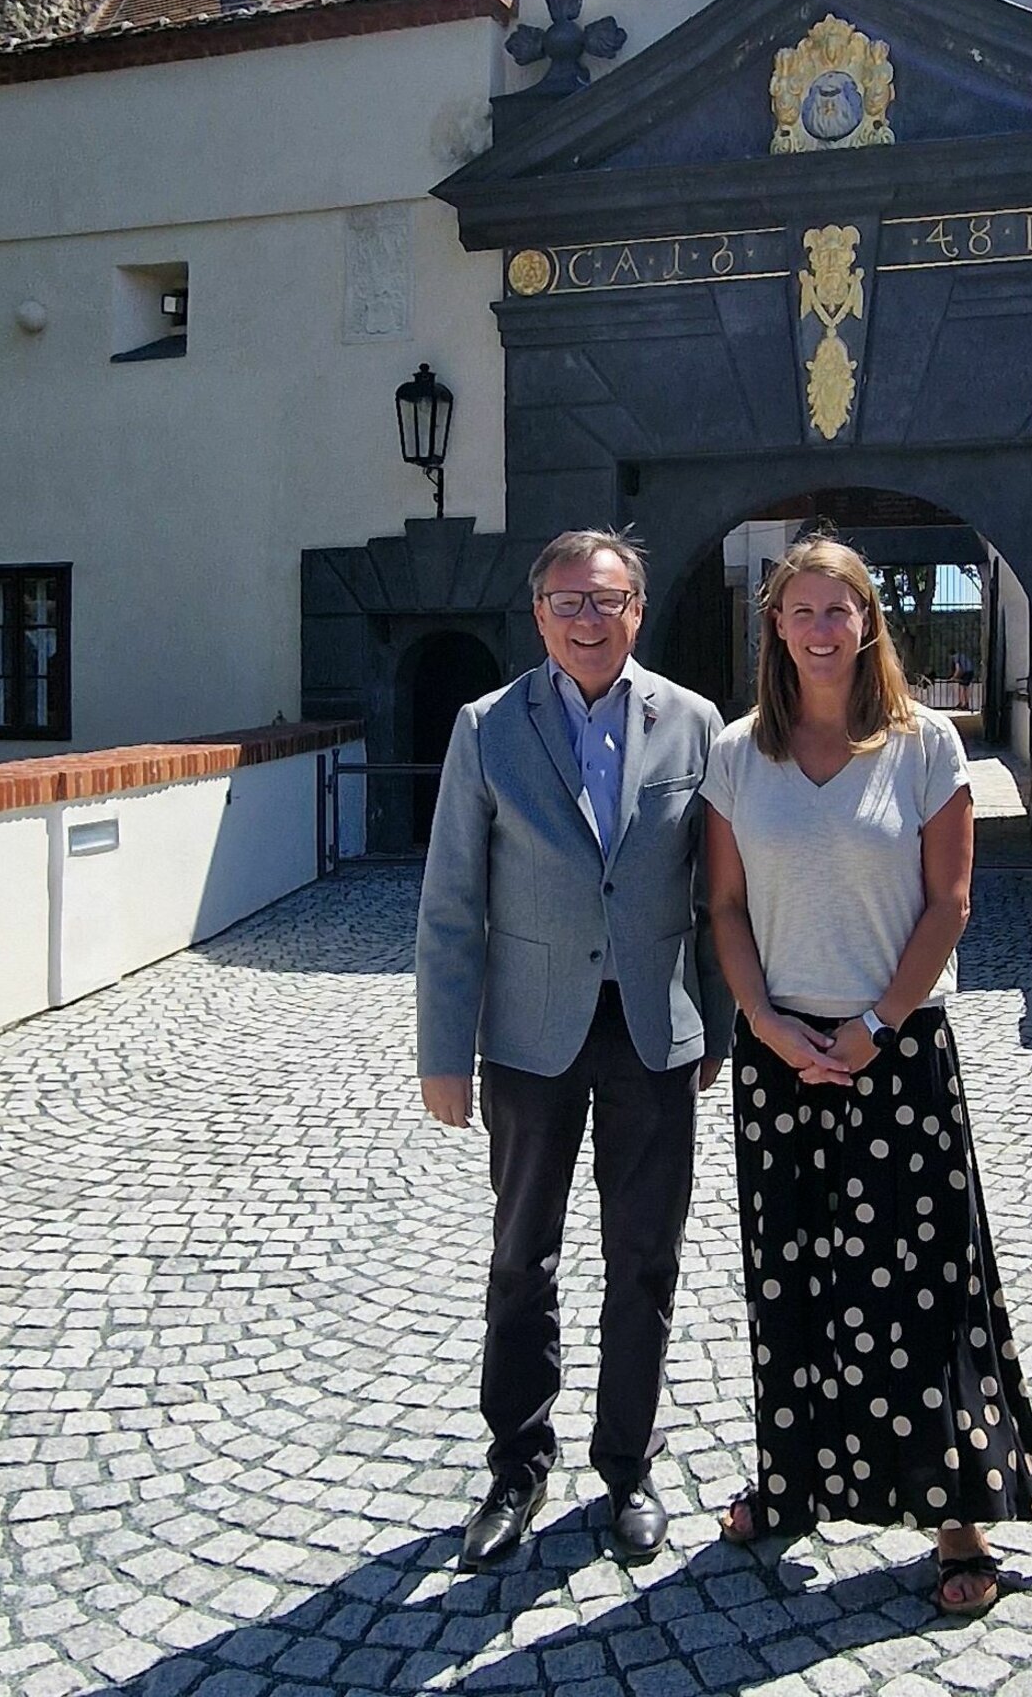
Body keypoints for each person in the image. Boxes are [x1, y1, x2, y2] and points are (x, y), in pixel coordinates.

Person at [698, 534, 1032, 1617]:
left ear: (867, 623)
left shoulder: (921, 745)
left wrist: (873, 1022)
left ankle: (955, 1511)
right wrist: (759, 1016)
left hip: (893, 1053)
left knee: (924, 1283)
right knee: (790, 1274)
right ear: (774, 625)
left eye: (836, 611)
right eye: (799, 610)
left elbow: (948, 901)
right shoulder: (734, 753)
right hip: (776, 1054)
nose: (818, 629)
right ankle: (794, 1473)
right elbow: (721, 903)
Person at [416, 528, 732, 1569]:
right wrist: (441, 1050)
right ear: (538, 611)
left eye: (604, 601)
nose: (586, 620)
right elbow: (451, 899)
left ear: (636, 609)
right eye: (566, 601)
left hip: (651, 1024)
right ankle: (515, 1461)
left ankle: (627, 1464)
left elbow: (714, 890)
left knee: (645, 1257)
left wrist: (717, 1024)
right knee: (521, 1257)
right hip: (528, 1032)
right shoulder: (486, 725)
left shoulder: (692, 723)